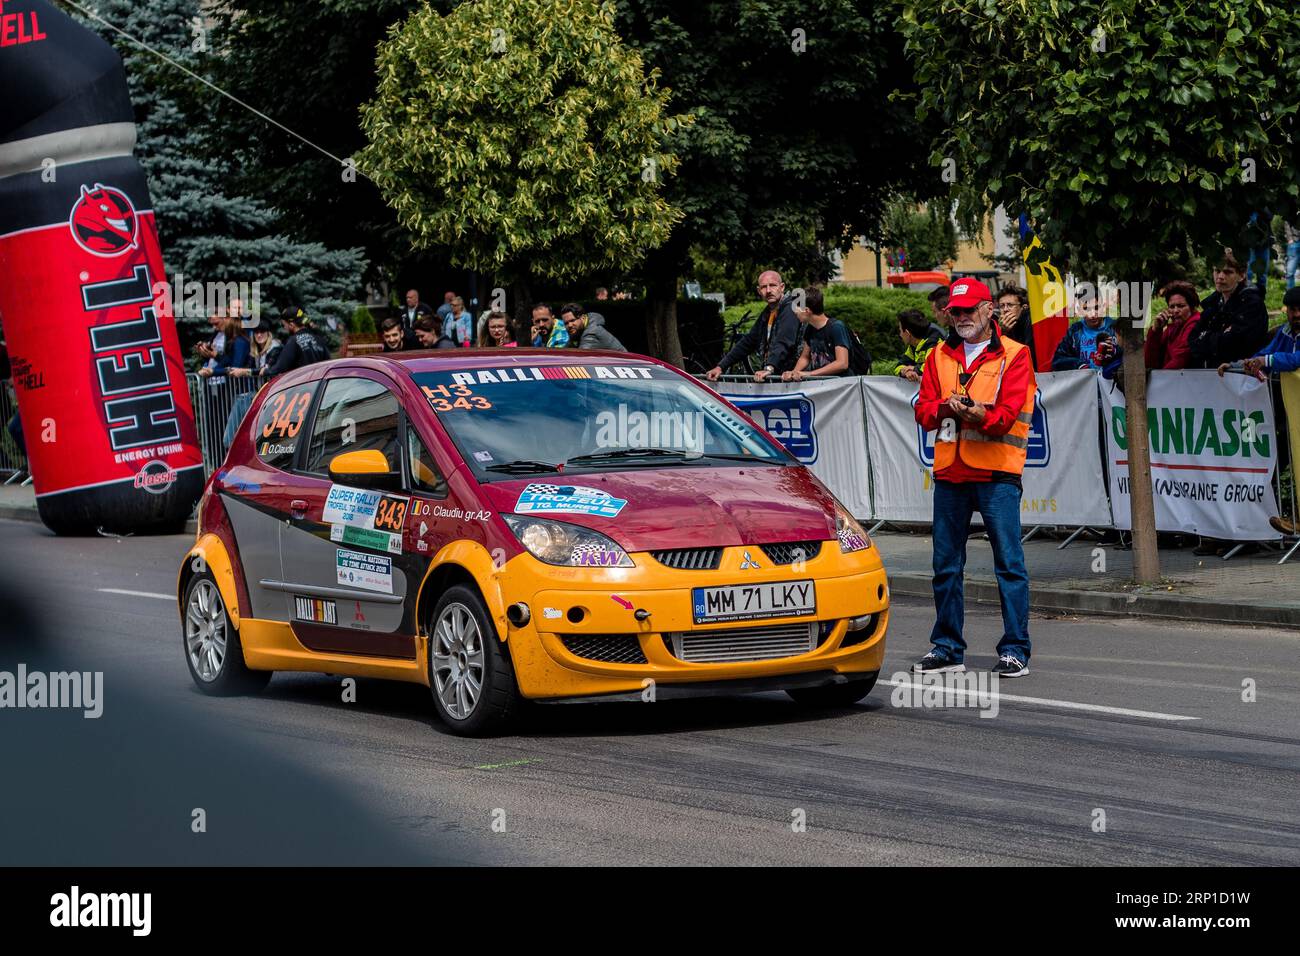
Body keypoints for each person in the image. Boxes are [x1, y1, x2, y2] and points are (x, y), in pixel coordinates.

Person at [912, 277, 1036, 678]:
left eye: (969, 310)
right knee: (945, 564)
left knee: (1009, 564)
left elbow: (1008, 415)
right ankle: (947, 647)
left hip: (996, 473)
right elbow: (924, 411)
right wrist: (948, 409)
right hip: (951, 473)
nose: (962, 317)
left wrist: (981, 414)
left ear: (989, 311)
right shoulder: (937, 356)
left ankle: (1015, 649)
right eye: (956, 312)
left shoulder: (1015, 355)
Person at [704, 270, 800, 382]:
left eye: (772, 285)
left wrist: (769, 368)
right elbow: (748, 342)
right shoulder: (768, 312)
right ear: (759, 291)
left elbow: (784, 341)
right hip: (777, 378)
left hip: (793, 381)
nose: (768, 290)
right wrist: (720, 367)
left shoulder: (791, 309)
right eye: (764, 287)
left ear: (782, 287)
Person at [1188, 249, 1270, 368]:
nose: (1220, 277)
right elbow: (1193, 340)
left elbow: (1234, 346)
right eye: (1217, 271)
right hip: (1210, 373)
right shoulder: (1214, 302)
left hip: (1240, 374)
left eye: (1228, 272)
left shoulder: (1252, 304)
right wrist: (1220, 336)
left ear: (1241, 275)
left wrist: (1207, 336)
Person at [781, 288, 849, 381]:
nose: (795, 313)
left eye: (796, 310)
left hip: (841, 385)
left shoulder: (836, 327)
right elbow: (805, 357)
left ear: (806, 310)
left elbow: (842, 363)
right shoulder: (810, 328)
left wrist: (809, 374)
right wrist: (794, 372)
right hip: (820, 386)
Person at [1051, 290, 1120, 371]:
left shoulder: (1115, 328)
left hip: (1111, 380)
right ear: (1079, 310)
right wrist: (1079, 365)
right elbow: (1058, 360)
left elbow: (1130, 354)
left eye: (1096, 307)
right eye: (1086, 309)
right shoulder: (1075, 331)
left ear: (1104, 307)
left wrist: (1115, 352)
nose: (1093, 314)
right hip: (1085, 381)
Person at [1144, 281, 1202, 370]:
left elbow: (1180, 360)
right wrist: (1156, 331)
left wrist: (1159, 380)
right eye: (1172, 307)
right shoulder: (1172, 328)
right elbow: (1149, 362)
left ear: (1192, 307)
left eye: (1181, 306)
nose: (1175, 310)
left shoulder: (1196, 324)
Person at [264, 305, 329, 378]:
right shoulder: (318, 339)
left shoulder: (293, 341)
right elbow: (328, 364)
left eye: (284, 325)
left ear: (291, 325)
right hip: (319, 385)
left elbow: (280, 368)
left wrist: (265, 371)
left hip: (302, 385)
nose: (284, 328)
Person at [891, 309, 942, 383]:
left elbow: (933, 367)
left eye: (900, 331)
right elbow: (899, 366)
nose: (900, 335)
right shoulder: (913, 346)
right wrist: (906, 372)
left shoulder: (935, 343)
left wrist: (914, 369)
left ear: (908, 333)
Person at [995, 284, 1037, 369]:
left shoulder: (1030, 322)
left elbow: (1026, 355)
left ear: (1024, 307)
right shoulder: (1001, 326)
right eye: (1002, 306)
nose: (1005, 309)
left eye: (1010, 305)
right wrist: (1003, 332)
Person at [199, 314, 252, 379]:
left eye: (216, 323)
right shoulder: (230, 339)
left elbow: (235, 367)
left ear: (227, 319)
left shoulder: (239, 341)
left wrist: (213, 371)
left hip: (241, 386)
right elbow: (227, 361)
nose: (214, 328)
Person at [559, 303, 626, 351]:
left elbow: (580, 359)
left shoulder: (591, 333)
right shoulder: (578, 331)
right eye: (566, 323)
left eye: (572, 320)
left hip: (623, 365)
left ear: (582, 318)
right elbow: (565, 352)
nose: (570, 325)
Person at [1285, 221, 1300, 291]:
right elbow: (1287, 221)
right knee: (1290, 272)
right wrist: (1290, 238)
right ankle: (1290, 294)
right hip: (1294, 241)